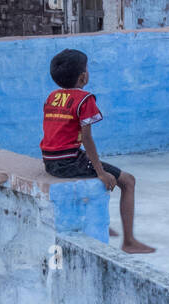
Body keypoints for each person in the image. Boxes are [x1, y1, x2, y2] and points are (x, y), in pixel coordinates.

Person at [41, 48, 154, 255]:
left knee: (94, 169)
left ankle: (102, 224)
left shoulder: (52, 97)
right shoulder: (85, 99)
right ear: (83, 77)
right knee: (127, 181)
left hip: (50, 160)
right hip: (68, 161)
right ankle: (129, 241)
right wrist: (101, 171)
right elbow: (87, 138)